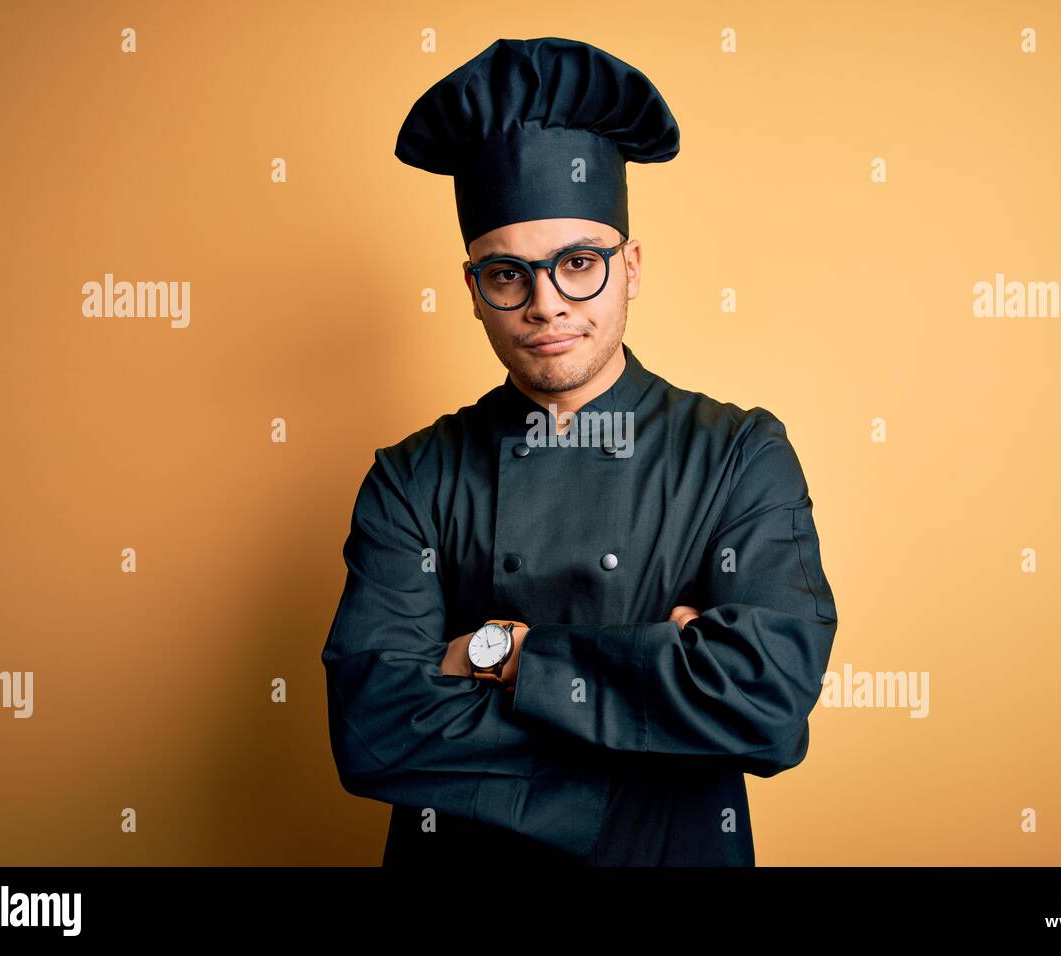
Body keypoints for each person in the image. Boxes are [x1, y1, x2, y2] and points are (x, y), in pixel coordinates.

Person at [321, 36, 838, 866]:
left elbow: (765, 704)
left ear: (631, 267)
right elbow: (374, 728)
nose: (546, 304)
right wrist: (661, 684)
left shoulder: (739, 453)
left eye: (578, 263)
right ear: (474, 292)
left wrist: (504, 654)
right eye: (507, 275)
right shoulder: (412, 477)